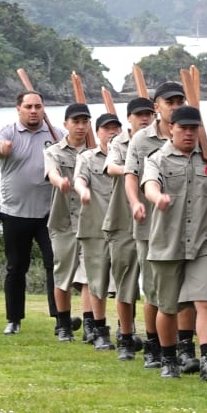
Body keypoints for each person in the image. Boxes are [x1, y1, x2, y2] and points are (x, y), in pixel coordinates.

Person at [141, 105, 207, 382]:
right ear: (171, 129)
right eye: (183, 128)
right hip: (167, 244)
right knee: (167, 307)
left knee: (205, 301)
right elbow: (150, 184)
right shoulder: (157, 159)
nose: (189, 133)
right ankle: (168, 358)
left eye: (193, 128)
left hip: (203, 243)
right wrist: (158, 198)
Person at [124, 81, 198, 371]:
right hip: (151, 225)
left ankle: (185, 346)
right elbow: (131, 175)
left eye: (180, 101)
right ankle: (154, 344)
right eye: (170, 102)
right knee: (155, 290)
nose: (175, 106)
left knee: (189, 292)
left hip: (189, 226)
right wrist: (136, 203)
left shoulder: (194, 134)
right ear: (157, 107)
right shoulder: (142, 140)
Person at [0, 90, 69, 336]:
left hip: (49, 213)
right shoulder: (9, 132)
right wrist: (1, 148)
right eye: (28, 107)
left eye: (38, 106)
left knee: (55, 266)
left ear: (43, 108)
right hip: (15, 213)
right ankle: (13, 320)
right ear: (19, 109)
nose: (34, 111)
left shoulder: (57, 134)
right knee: (16, 268)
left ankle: (61, 320)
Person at [103, 97, 156, 361]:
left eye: (148, 114)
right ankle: (125, 335)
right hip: (123, 221)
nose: (144, 118)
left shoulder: (162, 141)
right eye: (138, 114)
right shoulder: (119, 142)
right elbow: (111, 167)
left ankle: (156, 340)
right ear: (129, 118)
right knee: (125, 282)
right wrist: (134, 170)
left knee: (155, 284)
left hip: (153, 221)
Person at [73, 113, 124, 351]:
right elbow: (79, 179)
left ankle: (125, 330)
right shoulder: (87, 157)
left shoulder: (127, 156)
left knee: (126, 281)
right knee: (97, 281)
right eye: (107, 129)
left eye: (116, 128)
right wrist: (82, 191)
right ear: (98, 132)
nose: (112, 132)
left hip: (123, 226)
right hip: (95, 226)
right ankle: (99, 330)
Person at [43, 103, 92, 342]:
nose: (80, 126)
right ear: (66, 124)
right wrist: (60, 182)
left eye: (85, 122)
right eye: (76, 122)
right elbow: (51, 172)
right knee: (62, 274)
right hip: (62, 222)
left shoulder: (94, 152)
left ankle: (91, 324)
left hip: (90, 221)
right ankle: (63, 324)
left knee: (89, 276)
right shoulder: (53, 151)